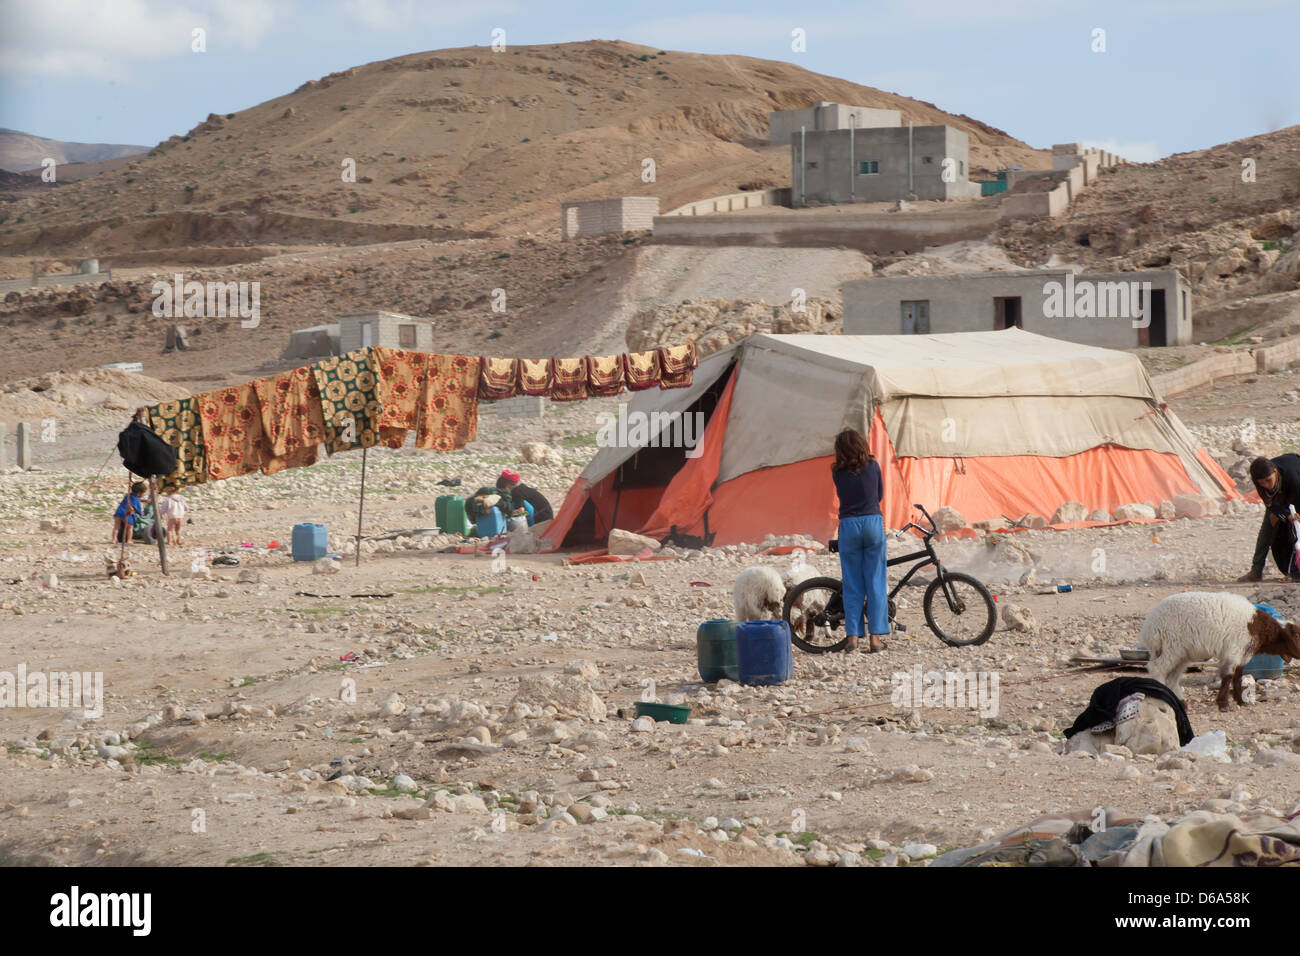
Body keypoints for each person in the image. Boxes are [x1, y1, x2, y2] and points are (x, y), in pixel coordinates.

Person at [830, 429, 889, 652]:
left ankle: (852, 638)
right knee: (875, 581)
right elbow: (879, 494)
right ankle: (875, 639)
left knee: (852, 583)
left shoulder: (837, 472)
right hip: (872, 522)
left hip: (849, 526)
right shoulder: (873, 467)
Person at [1238, 454, 1300, 582]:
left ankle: (1296, 570)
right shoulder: (1260, 480)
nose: (1266, 485)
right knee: (1266, 529)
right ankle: (1256, 571)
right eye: (1262, 483)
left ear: (1275, 472)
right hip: (1279, 497)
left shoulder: (1292, 478)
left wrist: (1296, 516)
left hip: (1296, 485)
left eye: (1268, 480)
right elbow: (1270, 503)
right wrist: (1284, 514)